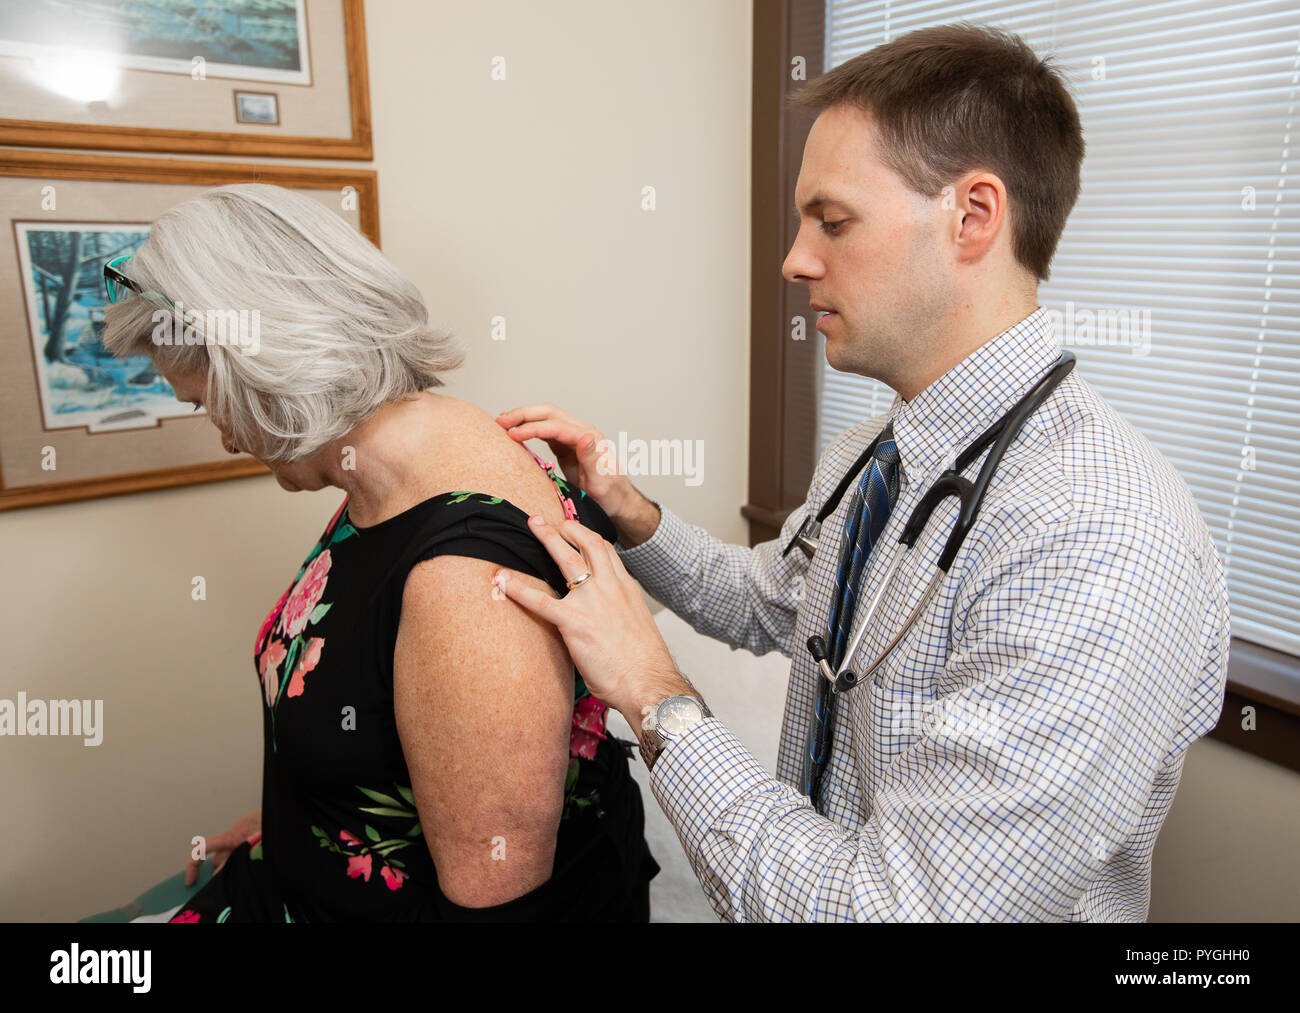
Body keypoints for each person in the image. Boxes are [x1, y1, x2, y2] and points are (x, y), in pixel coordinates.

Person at [491, 24, 1230, 921]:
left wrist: (653, 690)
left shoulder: (1098, 537)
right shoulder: (875, 452)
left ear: (974, 216)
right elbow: (768, 599)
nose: (796, 259)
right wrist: (629, 510)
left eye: (833, 221)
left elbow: (892, 909)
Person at [101, 182, 658, 922]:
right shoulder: (403, 464)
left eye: (204, 403)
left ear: (260, 364)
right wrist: (307, 825)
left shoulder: (462, 577)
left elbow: (495, 909)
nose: (226, 436)